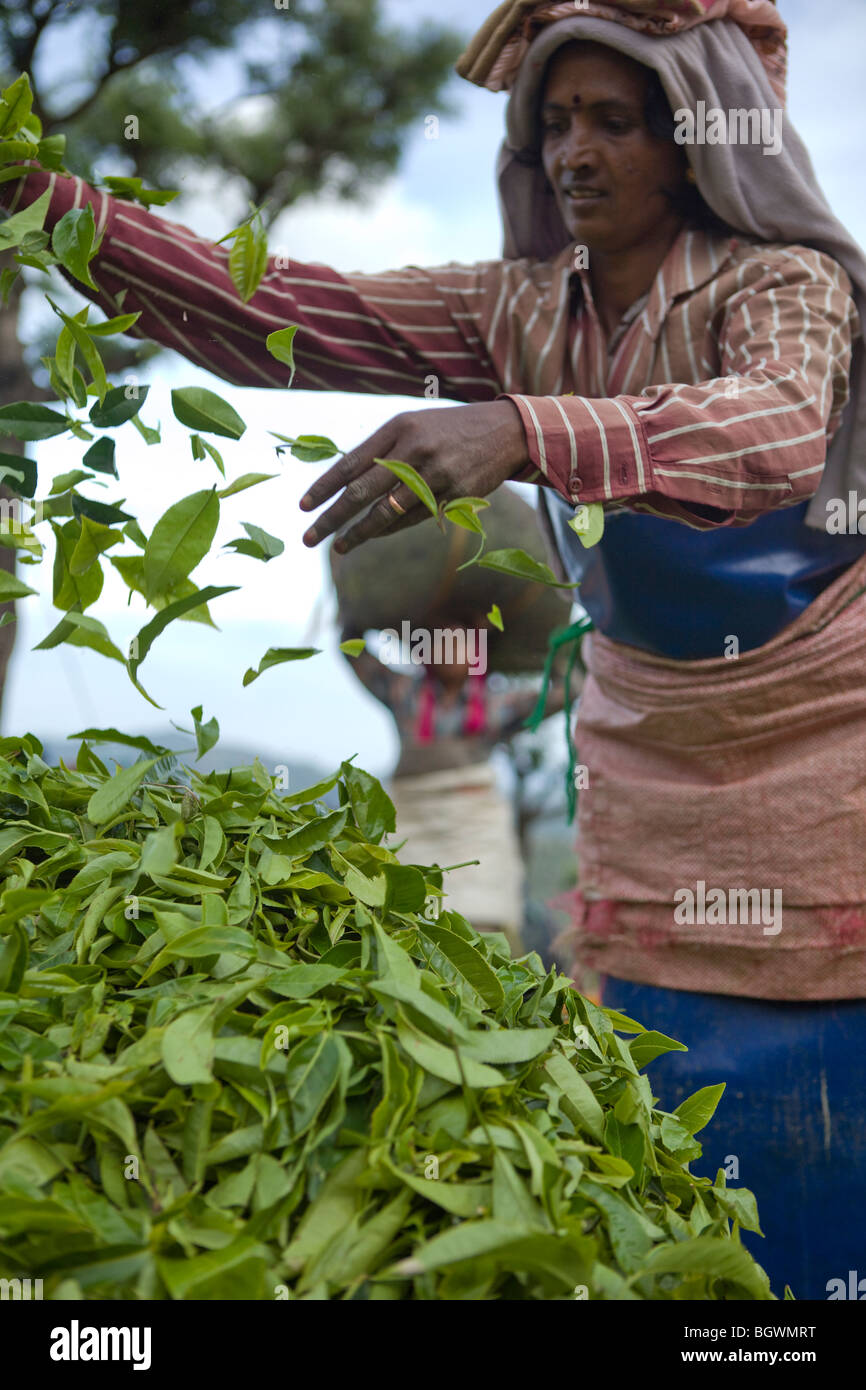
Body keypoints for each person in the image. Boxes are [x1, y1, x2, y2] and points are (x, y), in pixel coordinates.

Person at [5, 0, 866, 1296]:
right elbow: (279, 311)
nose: (574, 151)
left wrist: (523, 431)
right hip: (650, 763)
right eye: (554, 122)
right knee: (658, 1148)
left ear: (689, 140)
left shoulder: (782, 285)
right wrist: (56, 210)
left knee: (822, 1163)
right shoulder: (513, 305)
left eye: (612, 122)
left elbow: (775, 431)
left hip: (817, 749)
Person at [339, 611, 566, 953]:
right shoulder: (403, 692)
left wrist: (561, 642)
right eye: (439, 641)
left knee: (478, 927)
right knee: (401, 918)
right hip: (411, 821)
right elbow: (350, 648)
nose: (448, 650)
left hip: (472, 828)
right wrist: (354, 613)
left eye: (459, 642)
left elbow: (567, 690)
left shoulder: (494, 705)